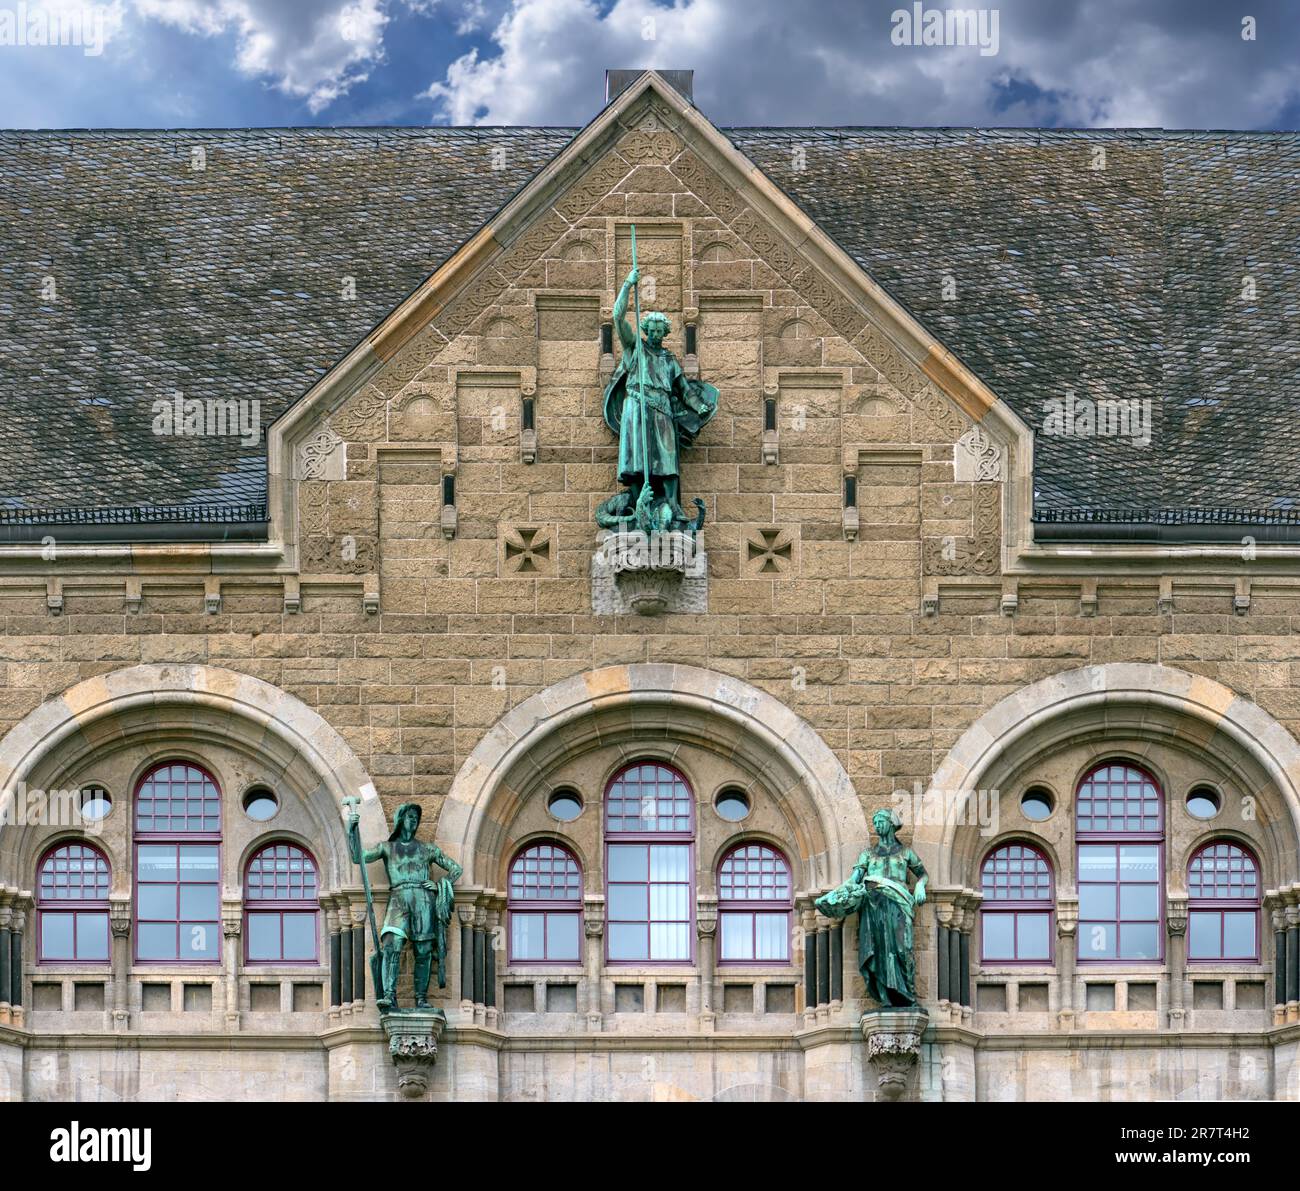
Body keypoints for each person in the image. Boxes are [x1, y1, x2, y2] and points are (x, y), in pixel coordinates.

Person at [602, 265, 718, 532]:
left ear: (664, 333)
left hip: (663, 407)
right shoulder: (635, 348)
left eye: (659, 331)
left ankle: (673, 506)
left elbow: (684, 390)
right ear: (645, 329)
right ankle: (635, 500)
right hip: (637, 404)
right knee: (635, 458)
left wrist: (700, 406)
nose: (654, 334)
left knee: (667, 457)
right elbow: (618, 317)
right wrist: (627, 286)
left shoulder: (668, 359)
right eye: (651, 329)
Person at [347, 802, 462, 1012]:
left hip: (423, 899)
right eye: (410, 816)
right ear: (401, 819)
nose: (414, 820)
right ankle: (389, 996)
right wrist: (352, 829)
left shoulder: (427, 849)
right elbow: (358, 858)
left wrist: (439, 885)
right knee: (391, 942)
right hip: (398, 897)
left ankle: (421, 998)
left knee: (424, 950)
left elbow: (456, 869)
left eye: (416, 818)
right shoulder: (387, 847)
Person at [816, 808, 928, 1007]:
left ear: (891, 824)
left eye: (880, 821)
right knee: (876, 949)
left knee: (903, 949)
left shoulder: (906, 853)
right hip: (873, 905)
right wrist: (836, 896)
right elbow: (854, 880)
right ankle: (885, 997)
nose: (877, 826)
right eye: (875, 822)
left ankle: (907, 994)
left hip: (899, 904)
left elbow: (922, 874)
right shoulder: (867, 855)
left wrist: (920, 885)